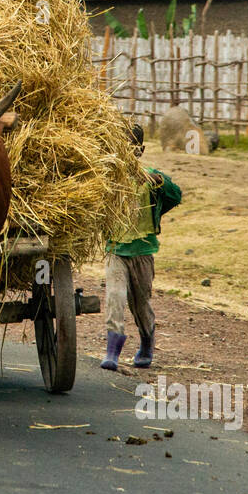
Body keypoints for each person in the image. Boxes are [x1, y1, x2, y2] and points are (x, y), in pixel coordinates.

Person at [102, 123, 181, 371]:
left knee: (141, 304)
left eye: (131, 147)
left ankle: (147, 341)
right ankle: (112, 353)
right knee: (114, 298)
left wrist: (157, 180)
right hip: (116, 250)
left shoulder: (150, 178)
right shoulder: (109, 177)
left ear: (140, 150)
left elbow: (175, 195)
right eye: (121, 146)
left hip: (143, 252)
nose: (126, 151)